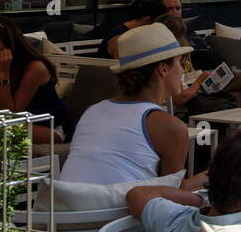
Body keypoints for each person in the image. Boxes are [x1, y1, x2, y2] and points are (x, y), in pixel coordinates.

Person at [60, 23, 201, 186]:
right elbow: (172, 196)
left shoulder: (93, 111)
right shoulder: (170, 127)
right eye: (180, 63)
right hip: (117, 210)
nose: (183, 70)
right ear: (163, 69)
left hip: (63, 206)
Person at [0, 16, 68, 143]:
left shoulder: (35, 68)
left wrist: (3, 74)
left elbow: (11, 114)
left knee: (2, 130)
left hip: (50, 128)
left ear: (8, 43)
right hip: (20, 125)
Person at [96, 0, 166, 59]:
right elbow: (122, 69)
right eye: (157, 26)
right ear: (147, 20)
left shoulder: (131, 32)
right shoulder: (121, 38)